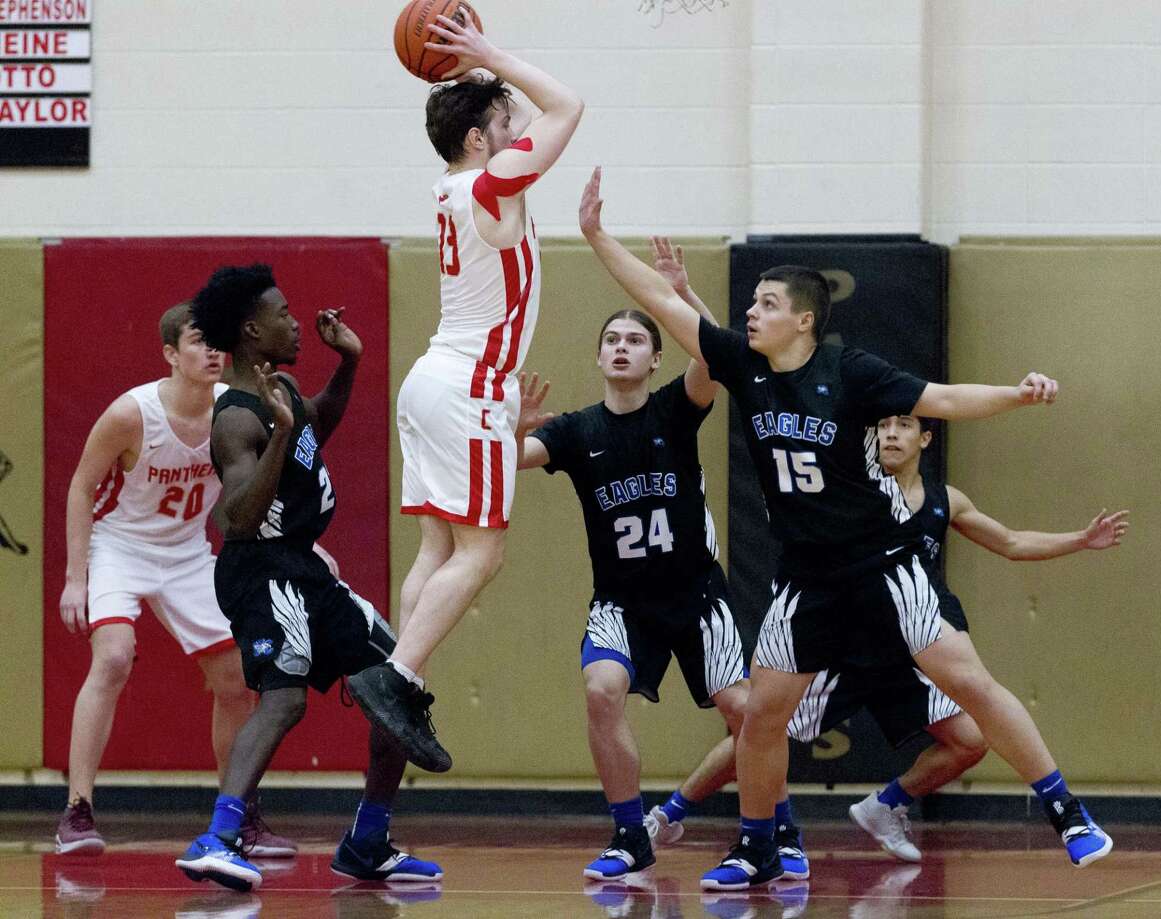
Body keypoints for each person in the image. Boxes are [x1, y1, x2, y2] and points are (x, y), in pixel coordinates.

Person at [578, 167, 1112, 891]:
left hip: (880, 564)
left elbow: (944, 397)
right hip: (806, 574)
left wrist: (1016, 395)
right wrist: (596, 235)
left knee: (970, 684)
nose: (752, 311)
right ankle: (759, 846)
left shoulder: (850, 371)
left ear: (803, 319)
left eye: (767, 303)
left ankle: (1067, 812)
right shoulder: (743, 365)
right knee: (761, 718)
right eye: (752, 302)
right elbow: (657, 300)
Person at [648, 414, 1129, 864]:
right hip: (844, 645)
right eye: (883, 425)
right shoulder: (846, 489)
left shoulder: (945, 500)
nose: (892, 433)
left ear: (925, 438)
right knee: (759, 726)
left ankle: (887, 804)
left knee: (970, 739)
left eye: (905, 424)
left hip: (909, 647)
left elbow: (1011, 542)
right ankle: (668, 815)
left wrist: (1080, 540)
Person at [513, 239, 806, 884]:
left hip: (696, 593)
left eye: (636, 340)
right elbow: (507, 465)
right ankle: (630, 836)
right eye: (611, 340)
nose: (622, 347)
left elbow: (721, 354)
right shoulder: (575, 431)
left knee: (745, 711)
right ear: (599, 356)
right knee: (601, 689)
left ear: (656, 357)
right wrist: (515, 429)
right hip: (622, 600)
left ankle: (780, 830)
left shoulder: (675, 407)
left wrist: (680, 294)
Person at [349, 13, 584, 774]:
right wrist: (488, 55)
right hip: (469, 387)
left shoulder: (452, 186)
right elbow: (568, 106)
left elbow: (542, 115)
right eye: (507, 124)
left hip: (432, 382)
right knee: (483, 554)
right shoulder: (489, 184)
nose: (520, 131)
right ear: (480, 139)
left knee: (439, 546)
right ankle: (397, 677)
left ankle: (398, 669)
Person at [175, 265, 440, 892]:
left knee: (395, 682)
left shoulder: (286, 389)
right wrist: (281, 435)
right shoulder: (236, 418)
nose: (297, 324)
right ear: (251, 330)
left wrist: (349, 363)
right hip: (260, 570)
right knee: (285, 697)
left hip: (303, 566)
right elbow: (238, 519)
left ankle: (367, 842)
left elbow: (315, 426)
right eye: (283, 314)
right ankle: (218, 837)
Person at [54, 303, 293, 860]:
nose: (213, 352)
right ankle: (77, 810)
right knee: (114, 658)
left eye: (218, 342)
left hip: (186, 553)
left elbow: (263, 492)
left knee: (236, 678)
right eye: (198, 341)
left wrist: (304, 547)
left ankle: (237, 817)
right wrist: (75, 577)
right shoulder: (130, 413)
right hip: (120, 546)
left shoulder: (235, 410)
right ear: (170, 353)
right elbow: (81, 487)